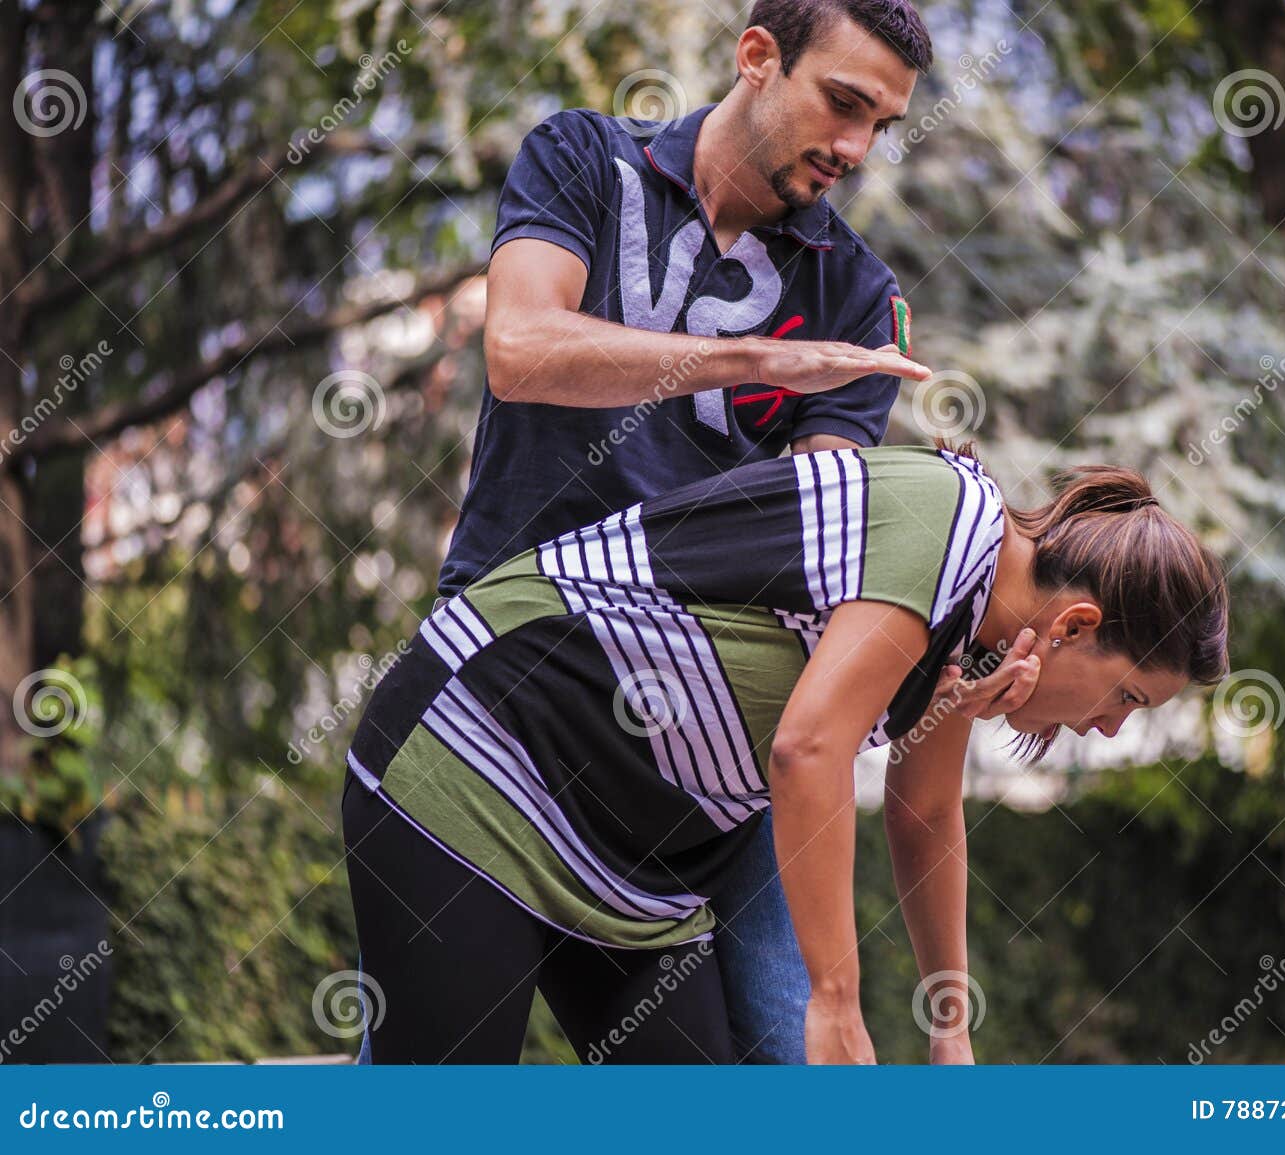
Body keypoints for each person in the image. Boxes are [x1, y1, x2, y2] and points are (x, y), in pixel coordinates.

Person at [350, 0, 1043, 1065]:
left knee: (786, 1075)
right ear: (757, 57)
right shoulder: (580, 157)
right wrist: (756, 360)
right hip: (512, 679)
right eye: (843, 103)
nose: (857, 148)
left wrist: (950, 680)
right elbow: (522, 350)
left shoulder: (857, 300)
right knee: (436, 1072)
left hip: (698, 745)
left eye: (881, 125)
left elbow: (825, 563)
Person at [341, 443, 1231, 1063]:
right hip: (478, 752)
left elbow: (924, 812)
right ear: (1077, 624)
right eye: (1127, 697)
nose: (1109, 727)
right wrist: (836, 1004)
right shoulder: (947, 525)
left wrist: (950, 1028)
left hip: (625, 867)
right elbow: (810, 750)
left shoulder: (968, 625)